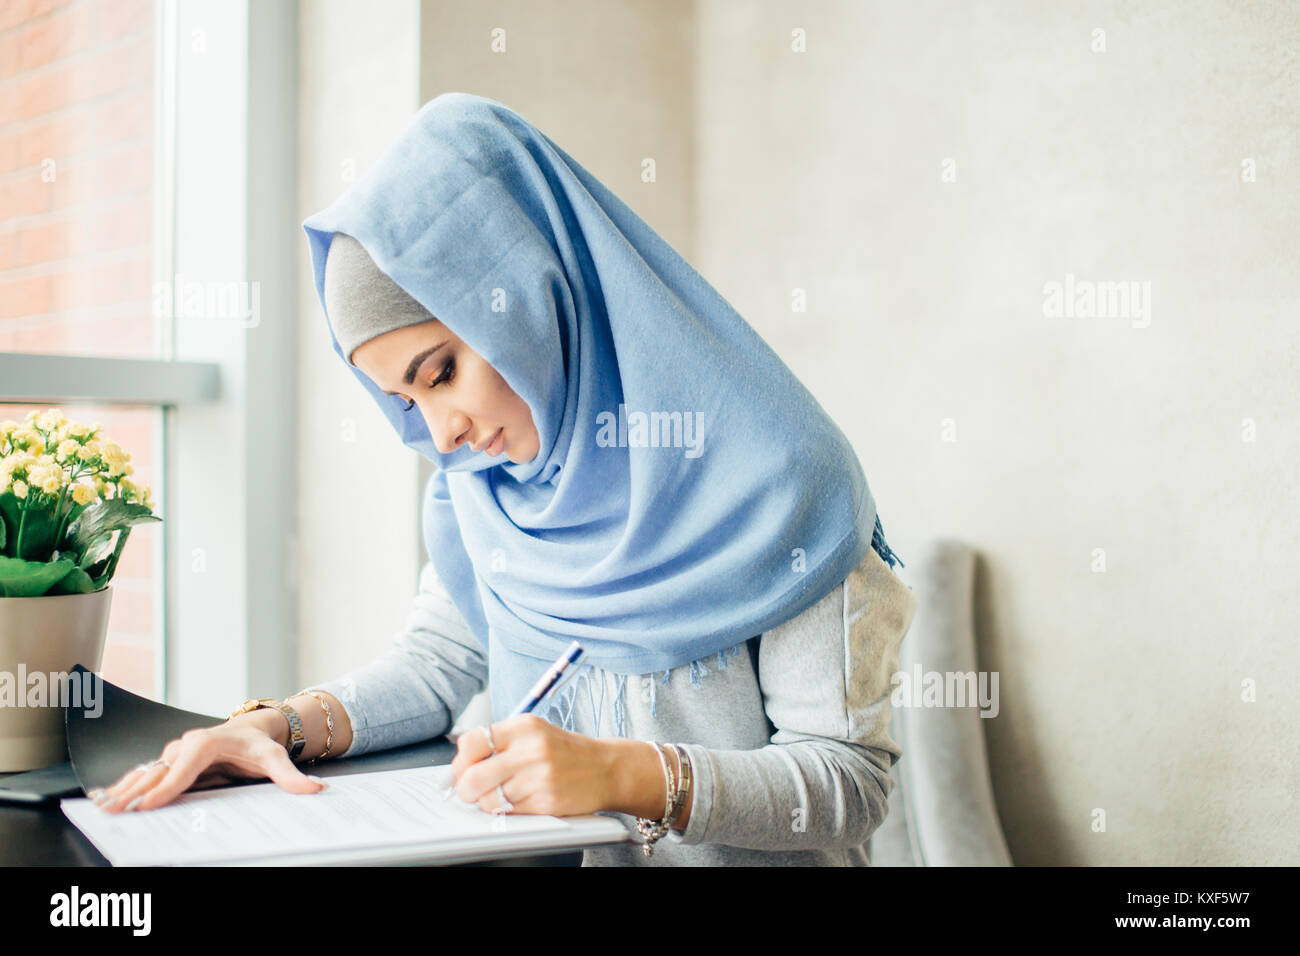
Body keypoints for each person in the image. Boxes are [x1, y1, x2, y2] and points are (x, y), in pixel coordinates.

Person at [92, 92, 919, 865]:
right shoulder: (482, 478)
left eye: (443, 370)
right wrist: (280, 726)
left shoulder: (782, 481)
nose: (440, 429)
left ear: (530, 294)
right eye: (406, 398)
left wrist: (628, 775)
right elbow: (440, 661)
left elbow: (848, 783)